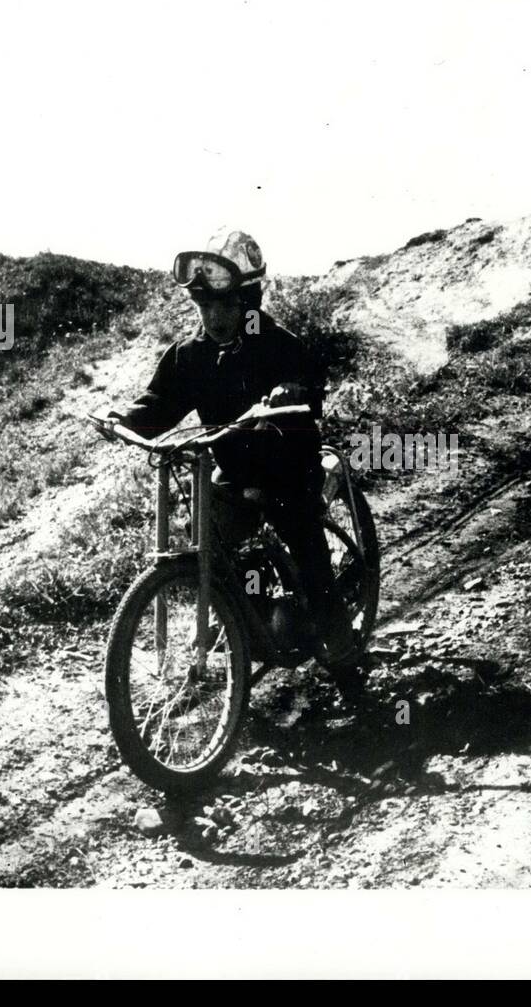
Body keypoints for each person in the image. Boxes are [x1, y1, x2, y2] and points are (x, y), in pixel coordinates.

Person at [106, 230, 360, 674]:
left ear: (249, 300)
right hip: (233, 470)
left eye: (224, 305)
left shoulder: (279, 344)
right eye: (203, 306)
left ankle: (340, 643)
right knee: (217, 544)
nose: (213, 316)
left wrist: (290, 393)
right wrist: (124, 420)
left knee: (305, 545)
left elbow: (307, 383)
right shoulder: (190, 355)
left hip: (287, 469)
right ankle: (242, 620)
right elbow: (159, 403)